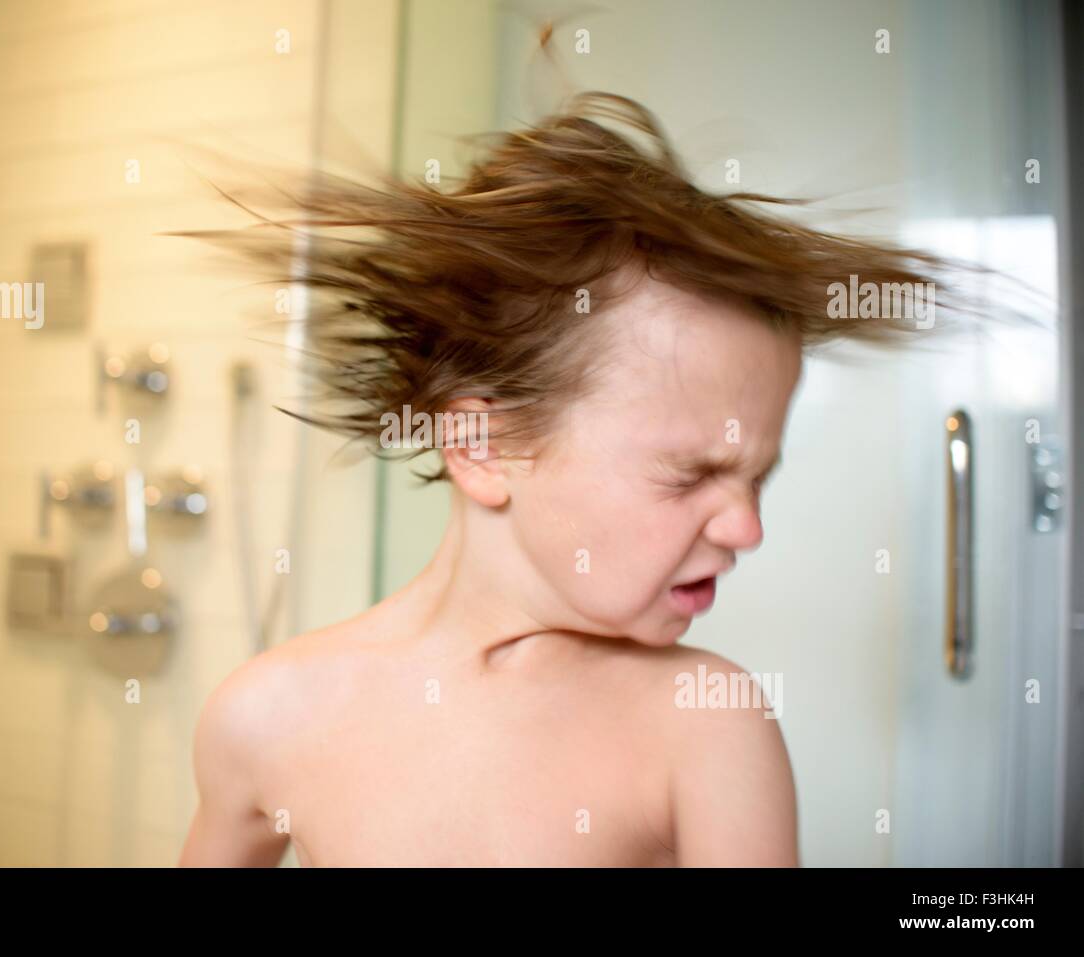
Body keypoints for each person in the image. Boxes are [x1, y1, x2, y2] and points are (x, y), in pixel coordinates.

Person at [178, 92, 957, 867]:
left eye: (759, 477)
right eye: (692, 475)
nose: (747, 529)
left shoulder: (705, 726)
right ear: (481, 444)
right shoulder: (269, 715)